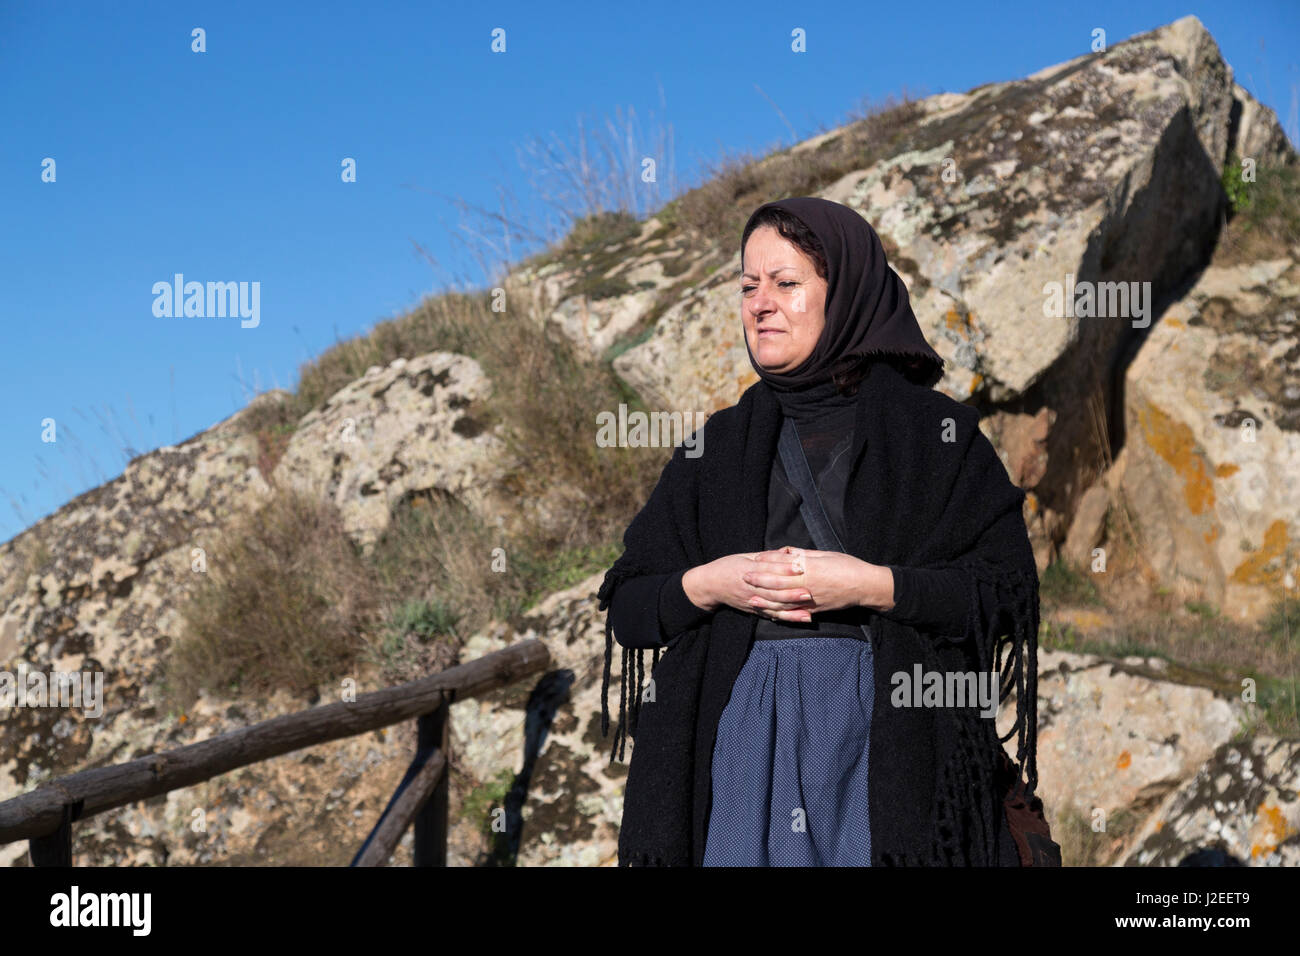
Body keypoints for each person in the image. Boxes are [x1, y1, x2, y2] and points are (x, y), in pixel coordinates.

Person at [597, 196, 1041, 867]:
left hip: (886, 744)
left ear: (850, 292)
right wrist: (712, 584)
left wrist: (875, 587)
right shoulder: (713, 450)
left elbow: (1005, 596)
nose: (759, 304)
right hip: (741, 750)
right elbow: (631, 608)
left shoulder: (934, 437)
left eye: (786, 283)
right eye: (748, 286)